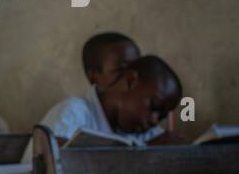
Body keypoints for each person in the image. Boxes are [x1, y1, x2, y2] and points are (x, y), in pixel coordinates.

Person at [25, 55, 185, 162]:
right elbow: (50, 161)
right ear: (131, 81)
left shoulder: (145, 131)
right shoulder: (74, 111)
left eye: (161, 116)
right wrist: (145, 151)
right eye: (154, 107)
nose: (154, 120)